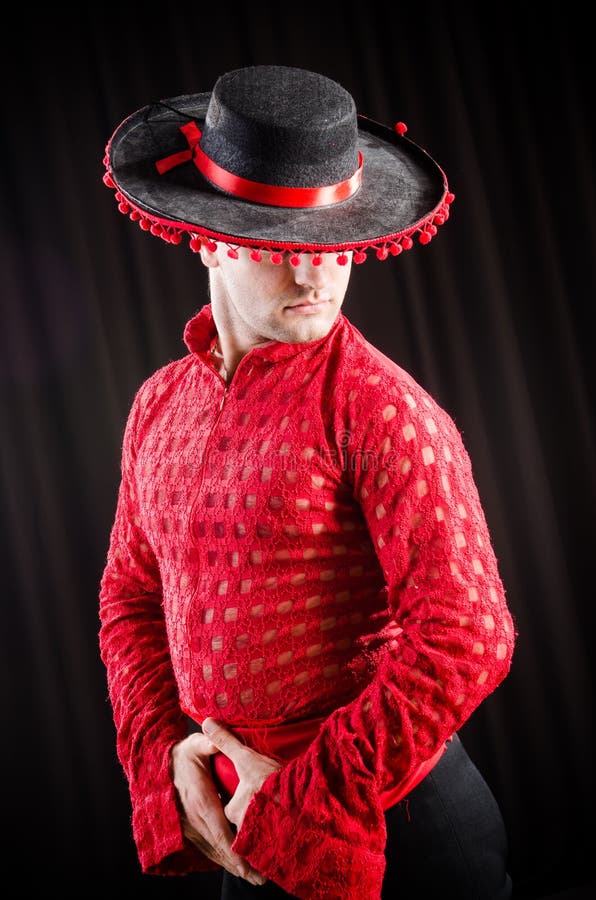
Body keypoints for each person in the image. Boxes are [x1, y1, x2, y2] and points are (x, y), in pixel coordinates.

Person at [99, 65, 517, 900]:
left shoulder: (381, 409)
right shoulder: (156, 407)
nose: (315, 276)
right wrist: (168, 760)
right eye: (281, 246)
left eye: (334, 244)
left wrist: (305, 797)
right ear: (208, 237)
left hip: (401, 828)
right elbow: (130, 597)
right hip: (237, 821)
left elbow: (469, 633)